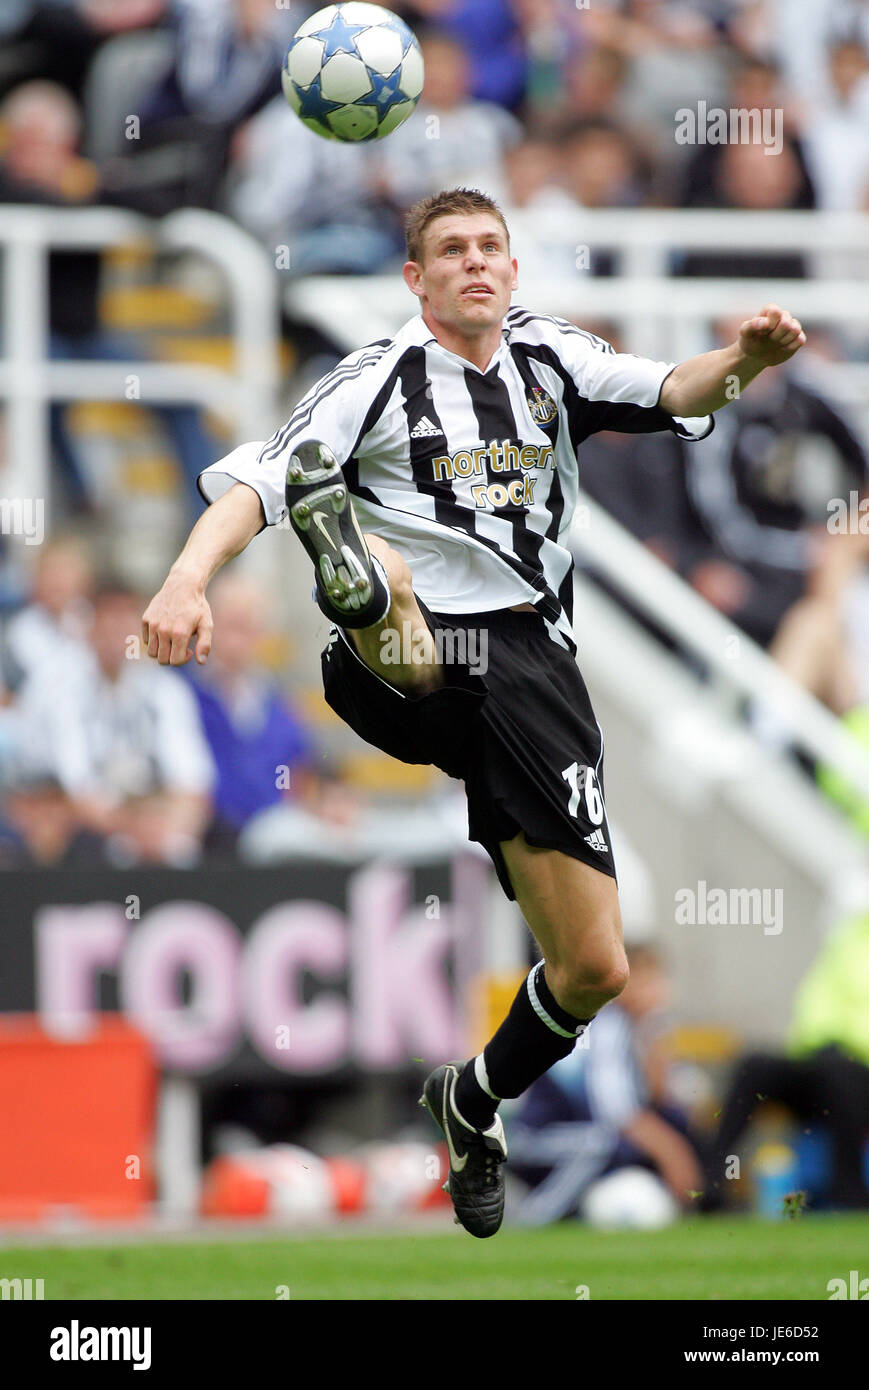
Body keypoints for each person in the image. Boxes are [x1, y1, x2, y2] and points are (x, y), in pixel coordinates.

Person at [142, 186, 807, 1238]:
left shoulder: (550, 358)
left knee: (593, 967)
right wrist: (184, 579)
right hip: (412, 663)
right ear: (415, 279)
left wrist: (743, 363)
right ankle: (356, 579)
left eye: (490, 246)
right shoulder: (372, 378)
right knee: (394, 589)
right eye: (450, 250)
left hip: (533, 671)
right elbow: (249, 483)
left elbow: (675, 390)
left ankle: (473, 1099)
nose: (475, 263)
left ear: (511, 265)